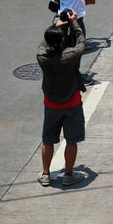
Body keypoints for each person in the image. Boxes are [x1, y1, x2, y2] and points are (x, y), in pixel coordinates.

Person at [37, 16, 87, 187]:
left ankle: (45, 174)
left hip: (51, 104)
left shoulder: (42, 57)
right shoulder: (70, 55)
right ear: (63, 40)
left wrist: (55, 25)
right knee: (71, 140)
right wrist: (73, 22)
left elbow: (44, 44)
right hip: (72, 102)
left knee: (48, 140)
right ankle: (68, 174)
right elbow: (81, 42)